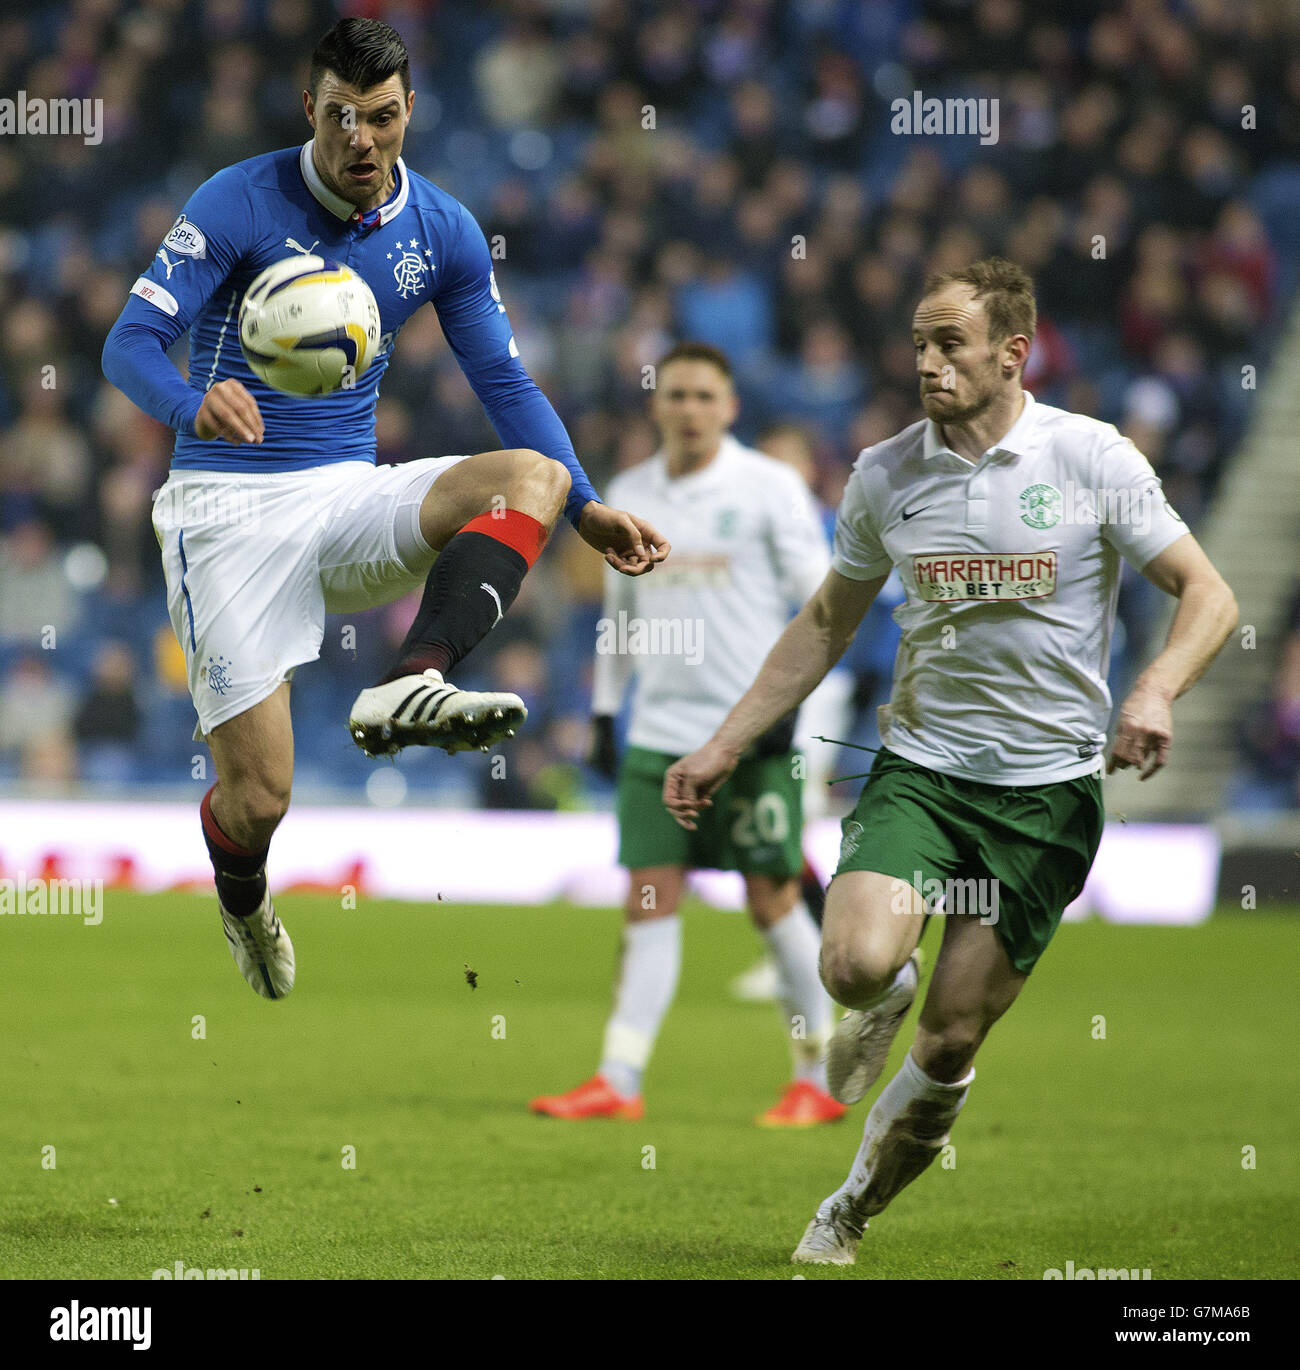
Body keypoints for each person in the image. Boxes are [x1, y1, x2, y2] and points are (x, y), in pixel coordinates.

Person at [663, 258, 1238, 1261]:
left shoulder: (1090, 457)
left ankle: (846, 1208)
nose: (927, 362)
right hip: (922, 771)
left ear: (1013, 352)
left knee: (954, 1038)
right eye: (918, 344)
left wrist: (1153, 688)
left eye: (949, 344)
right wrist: (722, 741)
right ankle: (880, 991)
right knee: (851, 963)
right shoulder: (885, 472)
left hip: (1045, 796)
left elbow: (1209, 593)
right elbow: (825, 623)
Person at [101, 17, 668, 1002]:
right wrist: (192, 401)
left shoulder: (441, 228)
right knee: (260, 795)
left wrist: (583, 504)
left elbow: (501, 373)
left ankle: (412, 679)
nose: (361, 140)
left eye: (383, 117)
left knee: (527, 475)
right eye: (340, 118)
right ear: (307, 111)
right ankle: (242, 900)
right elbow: (129, 344)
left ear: (410, 111)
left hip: (344, 495)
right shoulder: (235, 201)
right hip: (225, 511)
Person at [530, 343, 843, 1127]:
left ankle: (819, 1075)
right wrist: (606, 712)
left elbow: (821, 605)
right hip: (658, 736)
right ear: (656, 403)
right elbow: (621, 619)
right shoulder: (628, 494)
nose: (691, 409)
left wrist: (790, 712)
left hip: (747, 735)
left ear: (730, 406)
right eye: (677, 395)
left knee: (772, 899)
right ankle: (620, 1079)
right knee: (648, 901)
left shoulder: (772, 489)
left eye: (706, 395)